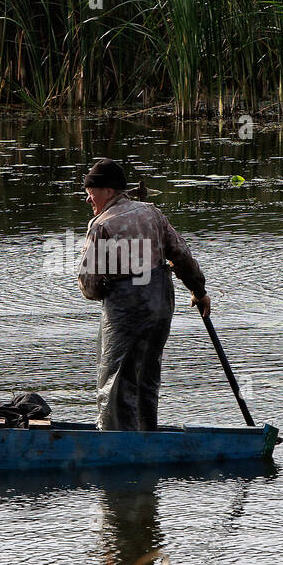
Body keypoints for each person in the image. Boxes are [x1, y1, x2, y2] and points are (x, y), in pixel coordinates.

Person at [77, 158, 210, 431]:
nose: (89, 199)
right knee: (147, 374)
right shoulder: (153, 213)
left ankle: (116, 441)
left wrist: (105, 290)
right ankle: (147, 435)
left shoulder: (102, 224)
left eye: (92, 192)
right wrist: (199, 291)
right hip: (161, 301)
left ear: (110, 192)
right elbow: (181, 255)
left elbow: (88, 283)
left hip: (127, 307)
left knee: (114, 379)